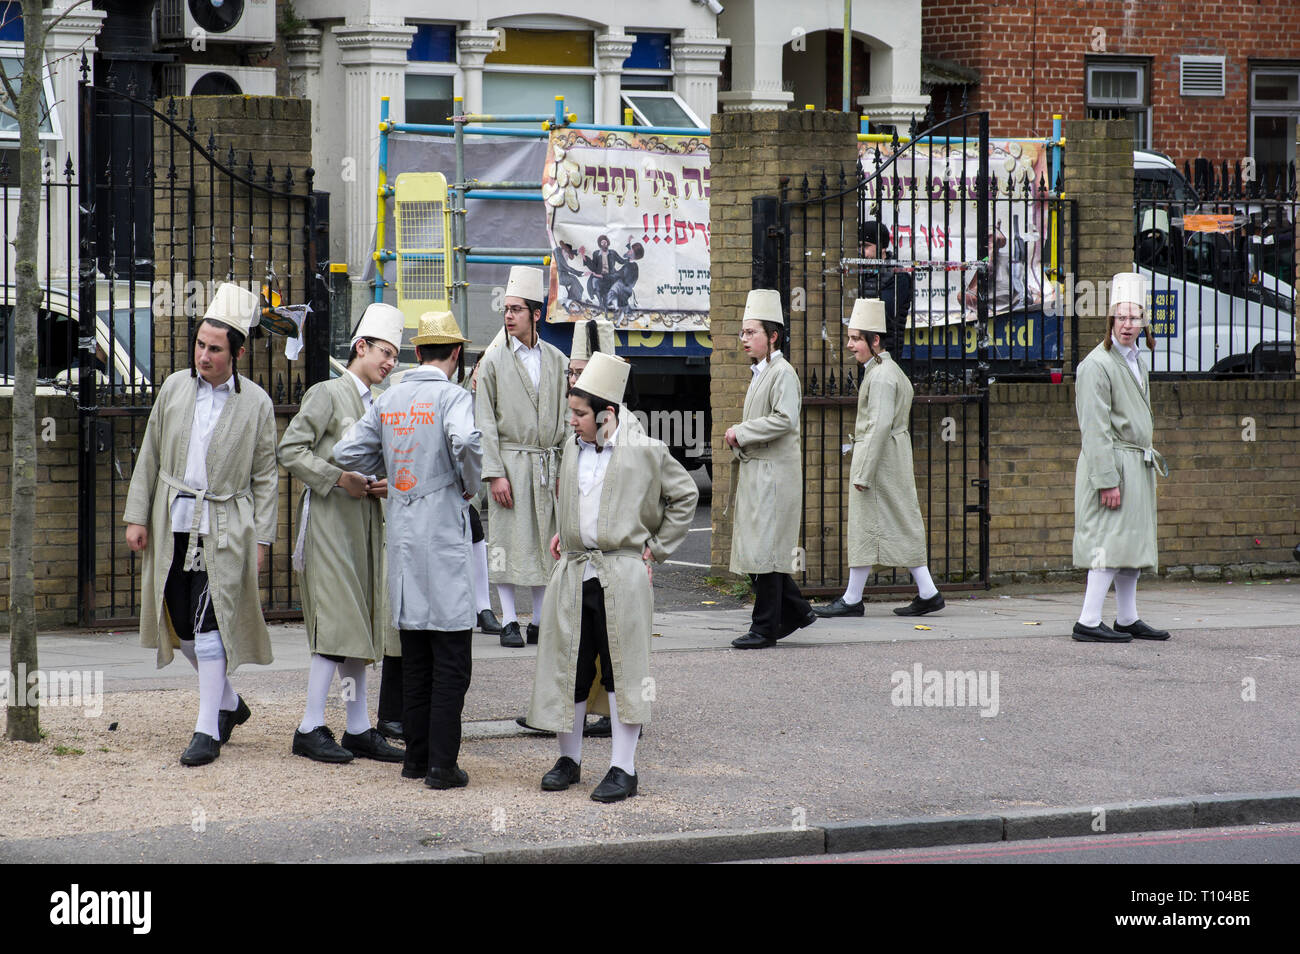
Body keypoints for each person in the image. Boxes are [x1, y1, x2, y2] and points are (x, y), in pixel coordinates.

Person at [528, 351, 698, 802]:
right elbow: (571, 496)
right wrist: (562, 533)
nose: (573, 422)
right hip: (575, 571)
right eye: (571, 412)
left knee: (624, 670)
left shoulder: (645, 449)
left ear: (608, 413)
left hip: (621, 576)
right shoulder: (571, 446)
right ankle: (570, 759)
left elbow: (684, 495)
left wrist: (655, 548)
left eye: (580, 414)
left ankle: (624, 768)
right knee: (573, 667)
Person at [123, 283, 277, 766]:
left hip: (227, 525)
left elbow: (267, 476)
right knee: (180, 627)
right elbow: (149, 452)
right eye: (200, 345)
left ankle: (206, 728)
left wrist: (264, 539)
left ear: (237, 352)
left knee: (211, 626)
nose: (204, 355)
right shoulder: (173, 387)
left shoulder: (257, 403)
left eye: (214, 348)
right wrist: (135, 515)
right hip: (173, 522)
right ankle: (229, 702)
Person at [332, 310, 484, 789]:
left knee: (415, 653)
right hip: (441, 531)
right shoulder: (455, 396)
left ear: (417, 352)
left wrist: (392, 466)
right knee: (452, 655)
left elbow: (346, 453)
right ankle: (442, 764)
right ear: (455, 354)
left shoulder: (389, 398)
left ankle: (415, 758)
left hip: (401, 530)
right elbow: (465, 440)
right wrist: (468, 484)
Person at [277, 302, 407, 764]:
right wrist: (338, 477)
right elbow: (289, 450)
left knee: (361, 622)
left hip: (366, 519)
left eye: (395, 356)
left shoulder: (381, 402)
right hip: (330, 520)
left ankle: (357, 727)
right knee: (336, 621)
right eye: (384, 353)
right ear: (361, 347)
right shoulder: (326, 393)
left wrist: (383, 483)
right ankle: (309, 726)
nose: (390, 362)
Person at [813, 299, 944, 619]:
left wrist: (863, 472)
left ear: (875, 341)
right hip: (890, 458)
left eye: (856, 338)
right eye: (849, 338)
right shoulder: (885, 371)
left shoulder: (882, 376)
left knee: (867, 526)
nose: (849, 345)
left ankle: (853, 599)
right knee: (899, 521)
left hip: (880, 460)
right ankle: (926, 592)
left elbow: (879, 424)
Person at [1072, 272, 1169, 643]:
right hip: (1113, 464)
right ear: (1110, 320)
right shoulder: (1096, 365)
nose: (1128, 325)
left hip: (1136, 463)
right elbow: (1094, 428)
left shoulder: (1136, 360)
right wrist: (1106, 479)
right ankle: (1088, 619)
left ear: (1144, 319)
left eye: (1135, 317)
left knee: (1133, 543)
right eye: (1121, 318)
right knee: (1109, 542)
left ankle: (1127, 617)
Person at [476, 266, 568, 648]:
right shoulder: (494, 361)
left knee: (545, 539)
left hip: (547, 462)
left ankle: (541, 621)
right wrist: (494, 473)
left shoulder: (557, 360)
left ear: (536, 314)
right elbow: (484, 421)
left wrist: (563, 466)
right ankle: (510, 618)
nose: (509, 316)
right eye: (506, 310)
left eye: (516, 309)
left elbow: (566, 416)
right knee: (508, 540)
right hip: (511, 462)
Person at [725, 288, 817, 649]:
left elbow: (784, 419)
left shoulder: (783, 373)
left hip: (773, 475)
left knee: (764, 551)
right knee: (760, 550)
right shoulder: (763, 372)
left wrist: (741, 431)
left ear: (773, 335)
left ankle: (764, 627)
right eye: (743, 332)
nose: (744, 338)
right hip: (760, 472)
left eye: (752, 332)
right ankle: (795, 611)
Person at [858, 220, 913, 328]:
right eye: (858, 246)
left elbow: (883, 313)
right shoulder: (859, 273)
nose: (860, 251)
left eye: (865, 246)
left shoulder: (898, 276)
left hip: (884, 343)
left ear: (882, 247)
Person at [602, 242, 644, 312]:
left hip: (623, 287)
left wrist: (606, 276)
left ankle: (615, 307)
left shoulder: (629, 266)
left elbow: (619, 274)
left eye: (631, 251)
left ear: (633, 255)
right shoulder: (633, 265)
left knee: (611, 292)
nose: (628, 251)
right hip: (628, 287)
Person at [582, 235, 623, 304]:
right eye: (602, 243)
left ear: (607, 243)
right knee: (594, 283)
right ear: (600, 244)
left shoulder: (613, 252)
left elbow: (621, 261)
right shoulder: (596, 253)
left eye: (605, 242)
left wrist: (630, 258)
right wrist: (583, 256)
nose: (604, 244)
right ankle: (600, 303)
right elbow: (593, 266)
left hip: (611, 275)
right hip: (599, 275)